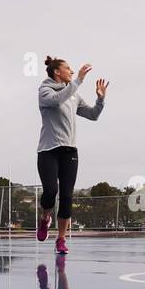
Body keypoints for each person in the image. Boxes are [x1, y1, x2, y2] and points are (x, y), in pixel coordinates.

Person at [37, 56, 108, 255]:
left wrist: (100, 99)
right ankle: (45, 218)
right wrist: (78, 81)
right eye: (68, 68)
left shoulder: (74, 94)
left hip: (69, 152)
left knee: (67, 197)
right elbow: (56, 100)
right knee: (51, 191)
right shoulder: (45, 91)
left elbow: (93, 115)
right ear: (57, 72)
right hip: (48, 151)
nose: (72, 71)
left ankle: (60, 239)